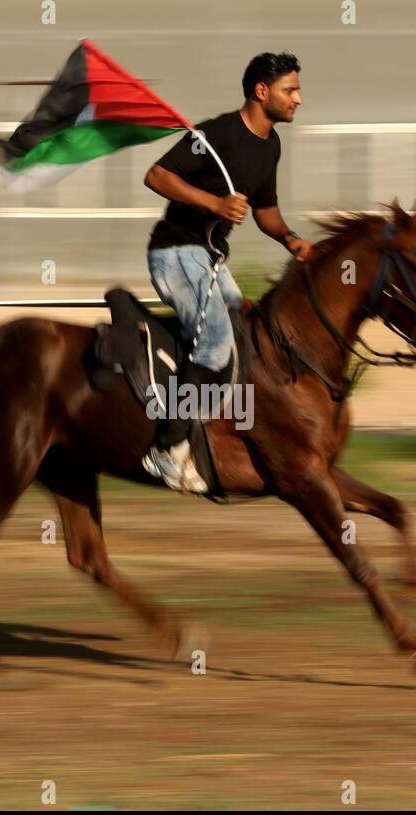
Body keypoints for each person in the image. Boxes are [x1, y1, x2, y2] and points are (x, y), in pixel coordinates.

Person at [140, 51, 315, 491]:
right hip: (176, 253)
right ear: (262, 91)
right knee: (216, 346)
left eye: (297, 89)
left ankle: (225, 432)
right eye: (290, 90)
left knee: (253, 329)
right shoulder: (216, 134)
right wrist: (214, 203)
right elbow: (157, 175)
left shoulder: (270, 144)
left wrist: (290, 239)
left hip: (211, 261)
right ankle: (164, 450)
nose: (299, 98)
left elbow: (267, 211)